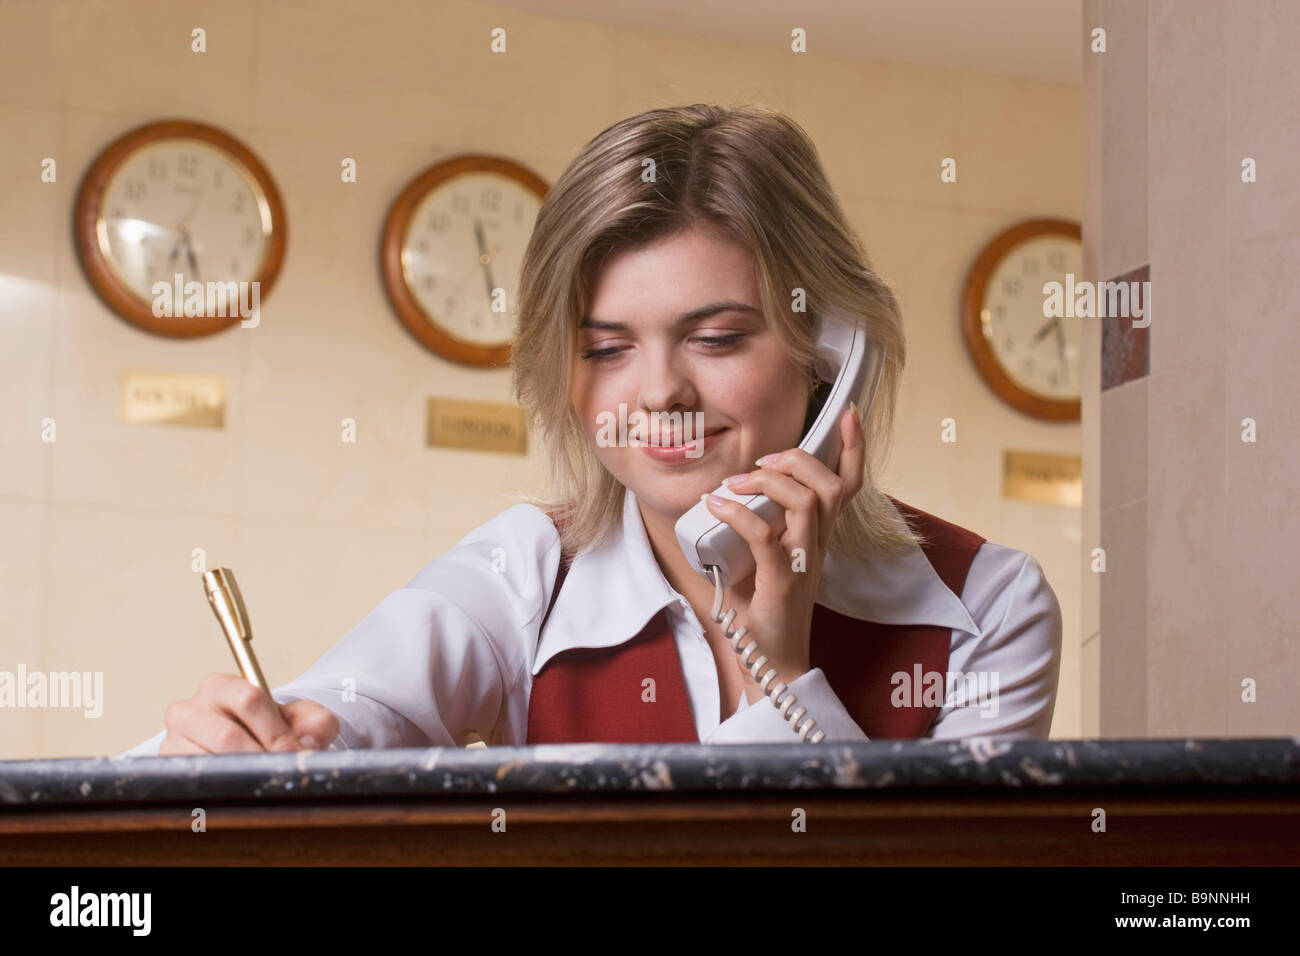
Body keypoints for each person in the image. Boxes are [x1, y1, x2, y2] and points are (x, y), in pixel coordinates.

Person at [119, 104, 1061, 757]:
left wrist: (779, 670)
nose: (658, 394)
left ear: (829, 347)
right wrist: (232, 743)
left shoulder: (986, 603)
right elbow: (345, 710)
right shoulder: (528, 571)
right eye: (607, 348)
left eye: (719, 337)